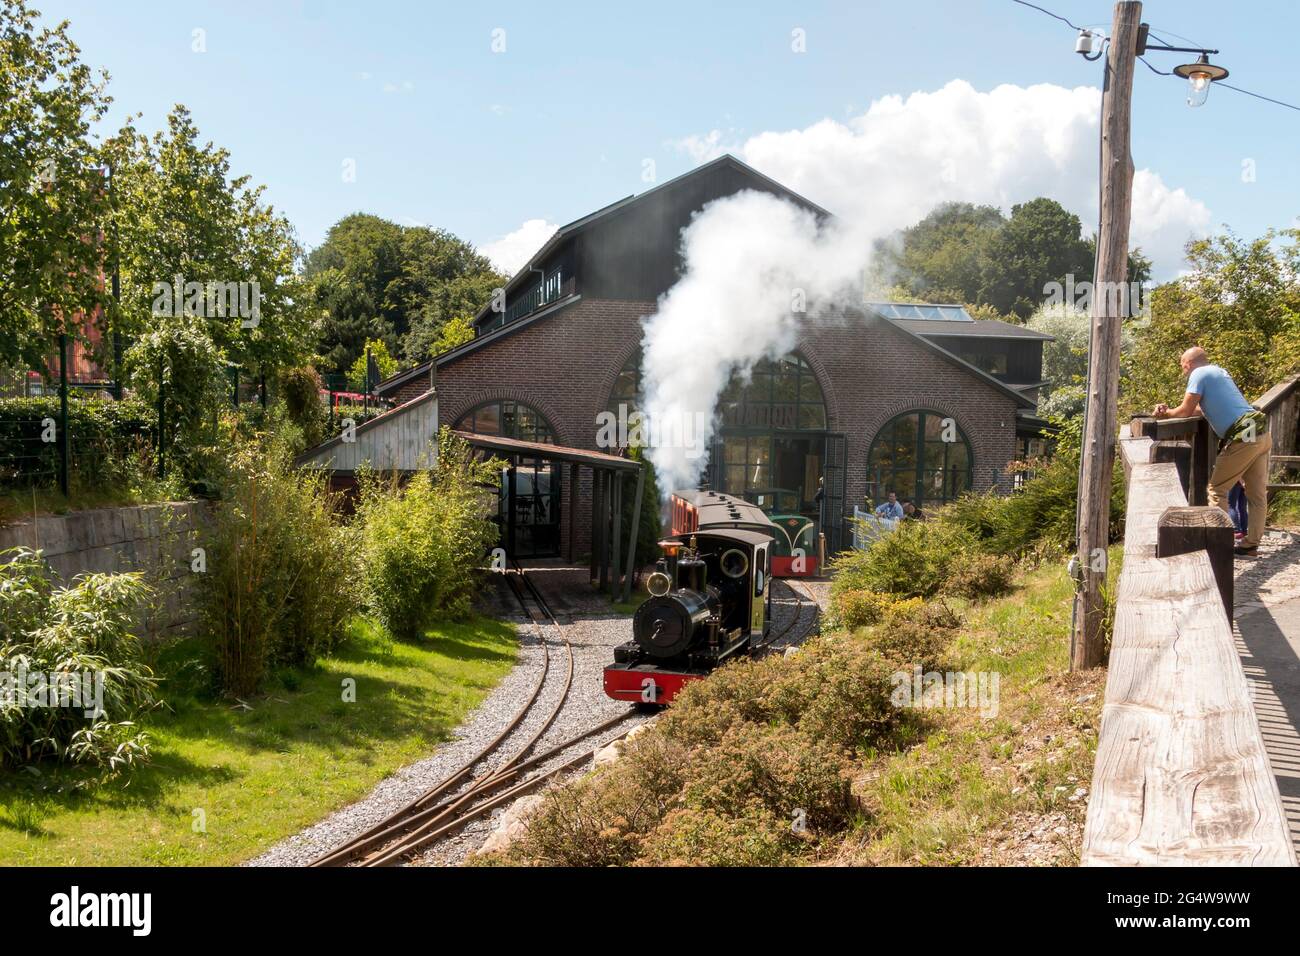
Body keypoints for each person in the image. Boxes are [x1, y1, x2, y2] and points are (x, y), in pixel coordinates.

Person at [1152, 346, 1270, 555]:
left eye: (1182, 365)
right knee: (1256, 494)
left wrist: (1166, 413)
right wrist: (1171, 411)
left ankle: (1220, 545)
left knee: (1217, 489)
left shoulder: (1198, 374)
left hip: (1243, 436)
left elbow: (1185, 411)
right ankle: (1251, 544)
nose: (1182, 370)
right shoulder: (1219, 371)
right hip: (1258, 432)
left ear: (1188, 363)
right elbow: (1201, 409)